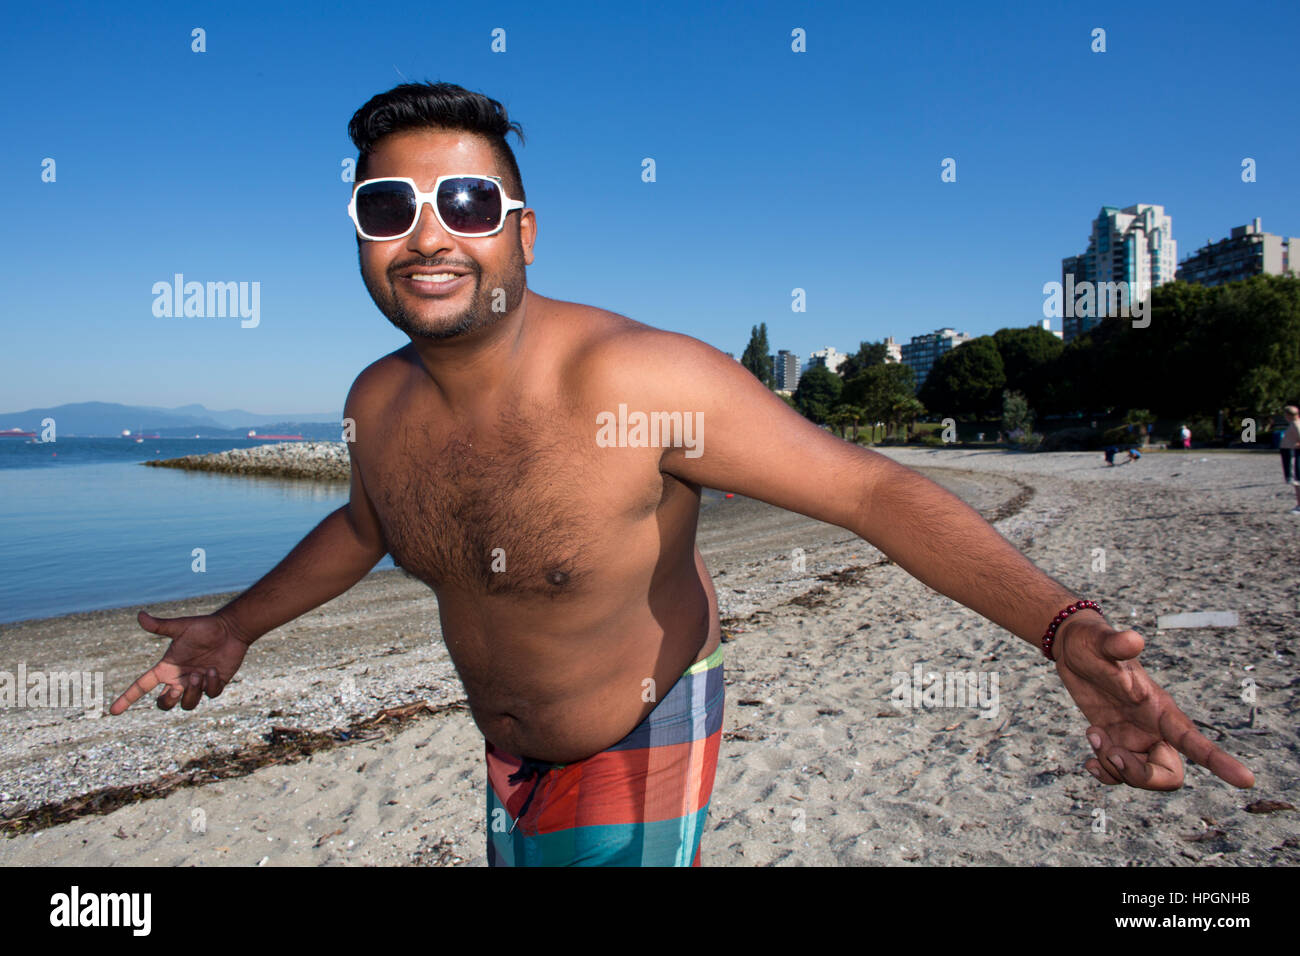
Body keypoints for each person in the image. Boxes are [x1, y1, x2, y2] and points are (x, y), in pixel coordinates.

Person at [108, 81, 1255, 866]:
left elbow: (868, 489)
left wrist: (1061, 628)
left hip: (640, 723)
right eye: (386, 206)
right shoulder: (377, 400)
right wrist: (236, 626)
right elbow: (365, 522)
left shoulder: (636, 377)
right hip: (505, 747)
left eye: (465, 202)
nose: (428, 234)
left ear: (524, 232)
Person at [1281, 405, 1300, 514]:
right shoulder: (1295, 424)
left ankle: (1299, 505)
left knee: (1296, 480)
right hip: (1290, 452)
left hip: (1292, 453)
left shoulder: (1295, 424)